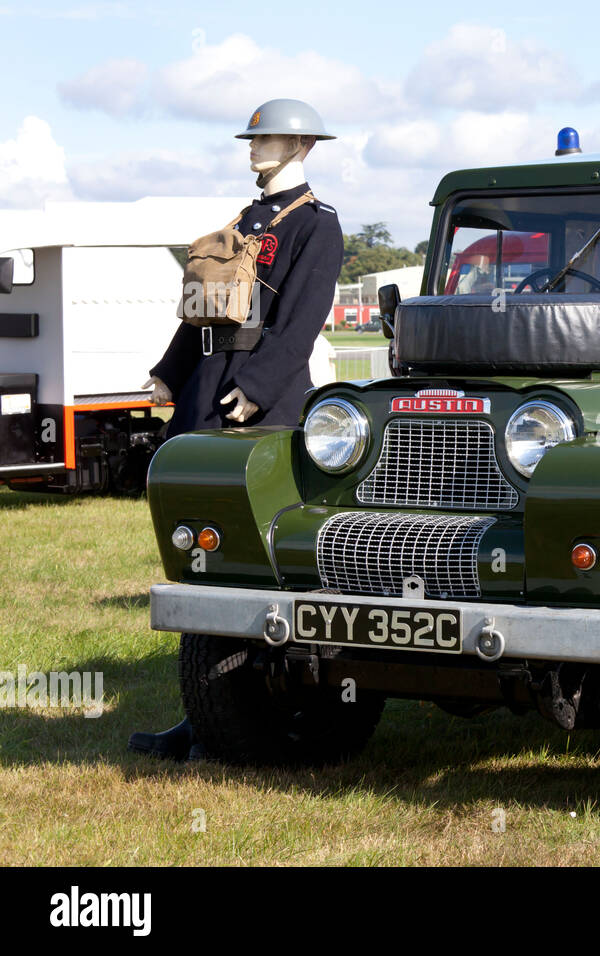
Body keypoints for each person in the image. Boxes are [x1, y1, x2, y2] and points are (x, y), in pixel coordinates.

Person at [129, 98, 344, 762]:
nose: (254, 146)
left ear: (301, 144)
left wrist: (253, 391)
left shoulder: (317, 227)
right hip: (203, 393)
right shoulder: (242, 221)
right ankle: (204, 716)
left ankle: (245, 717)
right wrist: (169, 371)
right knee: (202, 560)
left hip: (258, 404)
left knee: (251, 565)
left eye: (269, 137)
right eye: (253, 137)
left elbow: (300, 324)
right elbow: (203, 306)